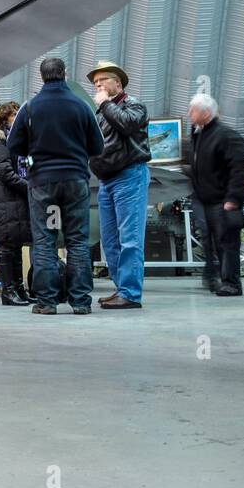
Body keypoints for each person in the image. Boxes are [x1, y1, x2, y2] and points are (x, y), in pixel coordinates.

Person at [7, 57, 105, 315]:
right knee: (78, 242)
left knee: (44, 242)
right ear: (65, 73)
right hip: (75, 182)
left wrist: (31, 161)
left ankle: (47, 302)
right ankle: (81, 302)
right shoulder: (81, 106)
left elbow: (13, 146)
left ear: (41, 77)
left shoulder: (29, 108)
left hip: (43, 185)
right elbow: (98, 147)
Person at [87, 61, 151, 310]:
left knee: (130, 238)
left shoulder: (134, 105)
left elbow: (126, 124)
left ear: (118, 82)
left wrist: (104, 103)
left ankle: (131, 293)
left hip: (129, 175)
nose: (98, 85)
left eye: (103, 80)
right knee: (110, 240)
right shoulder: (103, 112)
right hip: (107, 180)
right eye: (95, 82)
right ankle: (121, 288)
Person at [187, 93, 244, 297]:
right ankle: (214, 277)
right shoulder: (198, 135)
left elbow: (238, 170)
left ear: (206, 113)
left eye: (193, 110)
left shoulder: (226, 136)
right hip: (204, 199)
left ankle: (231, 283)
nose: (189, 114)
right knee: (209, 240)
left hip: (222, 201)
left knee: (227, 242)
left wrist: (232, 199)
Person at [0, 101, 33, 306]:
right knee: (6, 245)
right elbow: (4, 171)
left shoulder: (19, 139)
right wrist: (29, 187)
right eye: (14, 115)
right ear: (4, 118)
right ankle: (8, 291)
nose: (17, 118)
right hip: (5, 198)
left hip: (18, 197)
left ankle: (19, 288)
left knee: (17, 244)